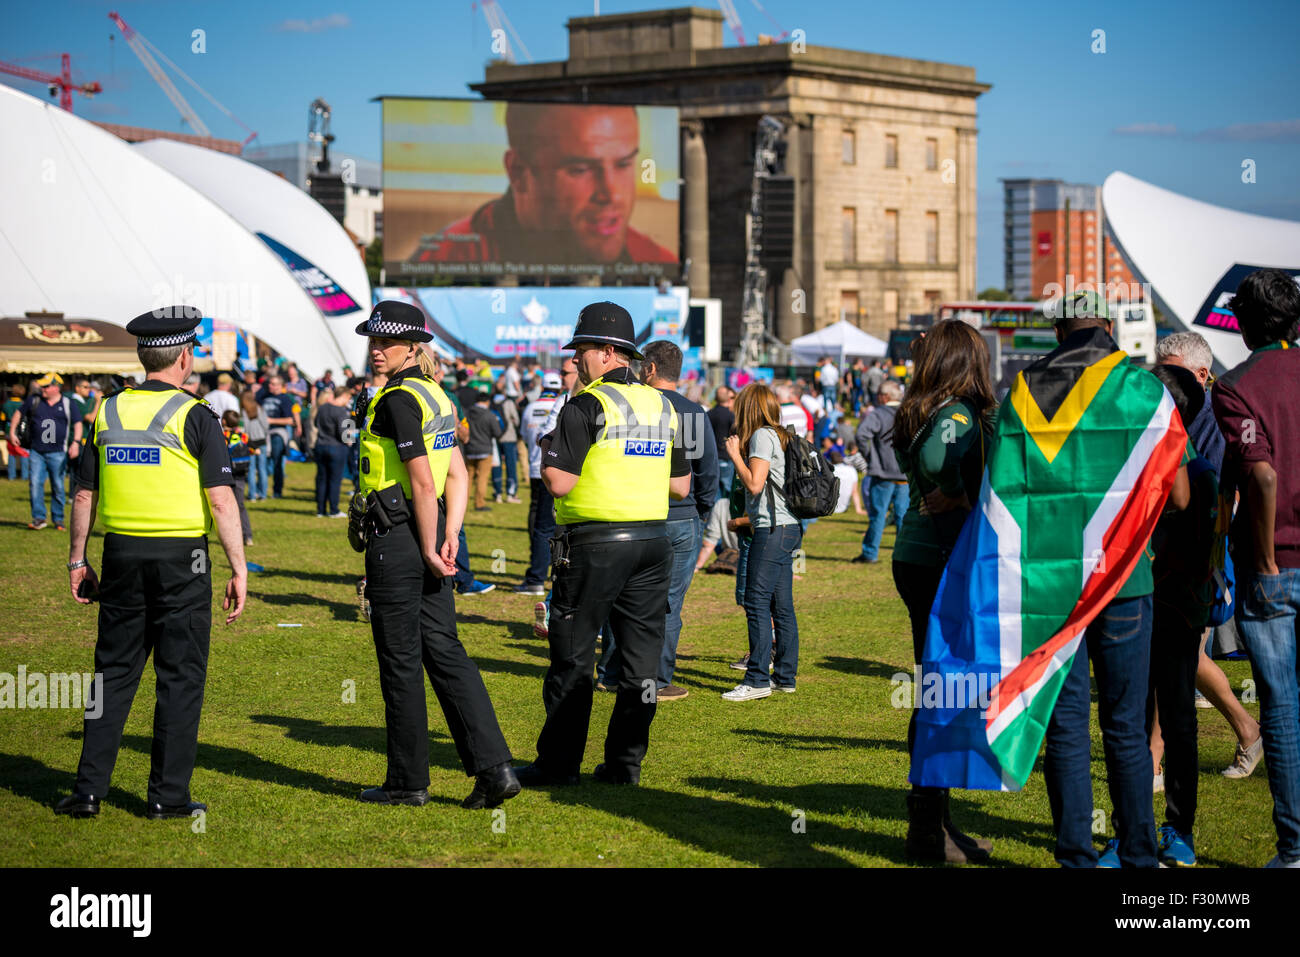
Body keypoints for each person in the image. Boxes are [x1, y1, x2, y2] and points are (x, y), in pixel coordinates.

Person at [56, 306, 247, 819]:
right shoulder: (196, 415)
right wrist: (240, 568)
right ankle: (167, 796)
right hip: (181, 560)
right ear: (185, 357)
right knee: (179, 677)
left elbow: (82, 495)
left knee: (112, 674)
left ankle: (88, 791)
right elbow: (223, 501)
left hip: (120, 553)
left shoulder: (107, 412)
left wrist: (78, 559)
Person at [1039, 292, 1190, 869]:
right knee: (1126, 727)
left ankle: (1075, 856)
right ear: (1108, 328)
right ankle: (1139, 858)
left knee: (1067, 727)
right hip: (1127, 582)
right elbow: (1177, 493)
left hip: (1056, 586)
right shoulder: (1146, 390)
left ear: (1059, 333)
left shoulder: (1027, 391)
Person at [352, 301, 519, 810]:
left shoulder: (399, 400)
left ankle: (407, 782)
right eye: (374, 341)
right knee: (445, 651)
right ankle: (495, 769)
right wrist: (452, 535)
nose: (378, 350)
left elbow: (426, 481)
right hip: (427, 532)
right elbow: (458, 476)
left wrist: (431, 545)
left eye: (388, 342)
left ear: (412, 346)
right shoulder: (438, 396)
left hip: (399, 539)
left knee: (400, 661)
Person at [514, 302, 689, 787]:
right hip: (653, 542)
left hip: (594, 544)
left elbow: (559, 483)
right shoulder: (662, 404)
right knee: (640, 664)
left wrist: (552, 447)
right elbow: (681, 487)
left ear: (608, 352)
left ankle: (558, 764)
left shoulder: (587, 405)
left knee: (572, 658)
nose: (575, 361)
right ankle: (624, 765)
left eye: (582, 351)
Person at [890, 318, 998, 862]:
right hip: (937, 557)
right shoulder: (955, 411)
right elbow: (936, 461)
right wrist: (955, 494)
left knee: (942, 687)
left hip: (922, 556)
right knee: (941, 689)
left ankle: (936, 823)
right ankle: (928, 828)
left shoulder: (929, 406)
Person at [1210, 268, 1300, 867]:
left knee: (1283, 708)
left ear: (1243, 325)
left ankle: (1294, 849)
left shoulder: (1235, 386)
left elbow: (1261, 475)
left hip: (1273, 568)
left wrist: (1263, 558)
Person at [416, 104, 676, 266]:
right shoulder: (448, 255)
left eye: (623, 164)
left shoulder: (655, 259)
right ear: (517, 171)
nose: (611, 194)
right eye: (581, 169)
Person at [1142, 363, 1218, 867]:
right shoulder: (1151, 460)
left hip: (1169, 609)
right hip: (1158, 608)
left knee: (1174, 718)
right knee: (1139, 719)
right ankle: (1143, 831)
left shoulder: (1192, 469)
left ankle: (1177, 829)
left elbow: (1193, 550)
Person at [640, 340, 718, 702]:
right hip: (681, 517)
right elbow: (708, 470)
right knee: (669, 601)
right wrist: (699, 510)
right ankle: (656, 680)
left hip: (638, 513)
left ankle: (612, 671)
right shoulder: (694, 412)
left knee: (626, 595)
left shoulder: (636, 406)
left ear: (651, 369)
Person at [722, 382, 802, 700]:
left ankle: (757, 679)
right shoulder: (783, 435)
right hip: (790, 526)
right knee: (781, 605)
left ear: (748, 409)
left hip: (771, 528)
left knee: (756, 601)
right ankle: (785, 675)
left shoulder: (760, 436)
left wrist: (733, 455)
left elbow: (755, 485)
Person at [516, 367, 568, 596]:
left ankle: (537, 574)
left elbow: (529, 438)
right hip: (562, 470)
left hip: (539, 468)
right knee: (555, 522)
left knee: (539, 520)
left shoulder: (531, 407)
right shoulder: (564, 402)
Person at [8, 373, 82, 531]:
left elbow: (77, 423)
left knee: (58, 486)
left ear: (56, 387)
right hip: (37, 451)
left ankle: (58, 519)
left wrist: (75, 443)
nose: (43, 389)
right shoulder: (34, 400)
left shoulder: (68, 403)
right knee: (35, 484)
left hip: (58, 453)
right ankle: (39, 518)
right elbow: (18, 413)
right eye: (42, 386)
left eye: (46, 386)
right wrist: (13, 432)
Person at [854, 379, 908, 563]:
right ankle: (904, 553)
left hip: (883, 473)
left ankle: (870, 553)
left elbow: (861, 434)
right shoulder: (908, 412)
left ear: (884, 396)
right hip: (904, 473)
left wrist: (870, 457)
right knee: (902, 516)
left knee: (878, 515)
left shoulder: (879, 413)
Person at [313, 387, 350, 518]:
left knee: (322, 479)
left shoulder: (322, 407)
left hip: (321, 445)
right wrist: (350, 440)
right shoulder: (342, 411)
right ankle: (334, 510)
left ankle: (320, 510)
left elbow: (316, 423)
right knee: (335, 480)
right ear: (345, 396)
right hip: (337, 448)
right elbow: (345, 435)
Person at [463, 390, 501, 511]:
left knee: (468, 478)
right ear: (487, 402)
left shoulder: (467, 413)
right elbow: (497, 433)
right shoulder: (489, 415)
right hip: (485, 449)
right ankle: (479, 503)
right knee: (482, 478)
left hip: (469, 449)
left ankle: (462, 502)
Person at [221, 410, 254, 547]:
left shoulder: (222, 435)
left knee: (225, 507)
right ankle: (248, 537)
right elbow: (253, 450)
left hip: (226, 475)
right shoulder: (243, 436)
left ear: (223, 421)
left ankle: (230, 537)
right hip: (240, 475)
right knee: (240, 506)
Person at [260, 376, 296, 499]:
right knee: (262, 463)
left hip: (278, 433)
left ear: (281, 386)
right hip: (263, 433)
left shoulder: (285, 399)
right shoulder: (264, 396)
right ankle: (261, 491)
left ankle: (277, 491)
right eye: (270, 383)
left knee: (277, 463)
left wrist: (271, 420)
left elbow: (290, 420)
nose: (271, 386)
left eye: (274, 384)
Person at [490, 387, 522, 503]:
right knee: (511, 466)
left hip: (495, 438)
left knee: (496, 465)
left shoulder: (491, 403)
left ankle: (497, 493)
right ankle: (511, 493)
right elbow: (516, 420)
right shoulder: (509, 403)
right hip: (509, 437)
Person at [240, 391, 269, 502]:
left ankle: (252, 495)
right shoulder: (260, 409)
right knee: (262, 468)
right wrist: (264, 435)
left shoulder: (244, 412)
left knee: (251, 469)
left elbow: (245, 428)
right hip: (261, 441)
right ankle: (263, 494)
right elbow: (265, 425)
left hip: (250, 442)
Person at [708, 385, 736, 498]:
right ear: (729, 398)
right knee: (728, 489)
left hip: (712, 456)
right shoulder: (730, 416)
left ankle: (715, 514)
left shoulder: (709, 414)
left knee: (715, 491)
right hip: (726, 455)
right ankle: (726, 514)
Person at [828, 451, 866, 516]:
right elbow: (854, 492)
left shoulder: (829, 471)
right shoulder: (851, 470)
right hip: (844, 507)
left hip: (828, 508)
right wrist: (858, 509)